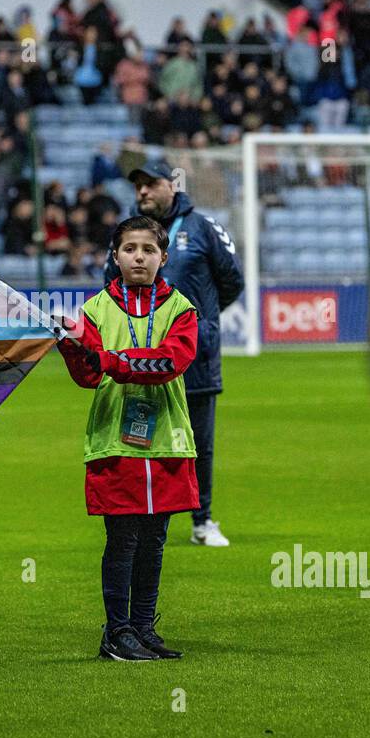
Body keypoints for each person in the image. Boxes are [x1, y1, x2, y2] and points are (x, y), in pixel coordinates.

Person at [55, 215, 200, 661]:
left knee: (154, 540)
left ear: (163, 257)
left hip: (168, 440)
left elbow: (170, 363)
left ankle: (143, 627)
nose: (139, 256)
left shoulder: (182, 308)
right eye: (130, 249)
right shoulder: (95, 310)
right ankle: (116, 632)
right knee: (122, 539)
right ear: (114, 256)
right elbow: (86, 375)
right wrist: (71, 345)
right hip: (114, 440)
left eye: (148, 250)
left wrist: (105, 356)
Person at [108, 159, 245, 547]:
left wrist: (203, 324)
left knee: (200, 445)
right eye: (138, 187)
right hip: (142, 361)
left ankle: (202, 522)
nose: (143, 193)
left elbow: (232, 281)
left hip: (195, 359)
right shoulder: (126, 236)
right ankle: (143, 521)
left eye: (150, 184)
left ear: (172, 185)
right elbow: (109, 287)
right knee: (140, 440)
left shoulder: (203, 227)